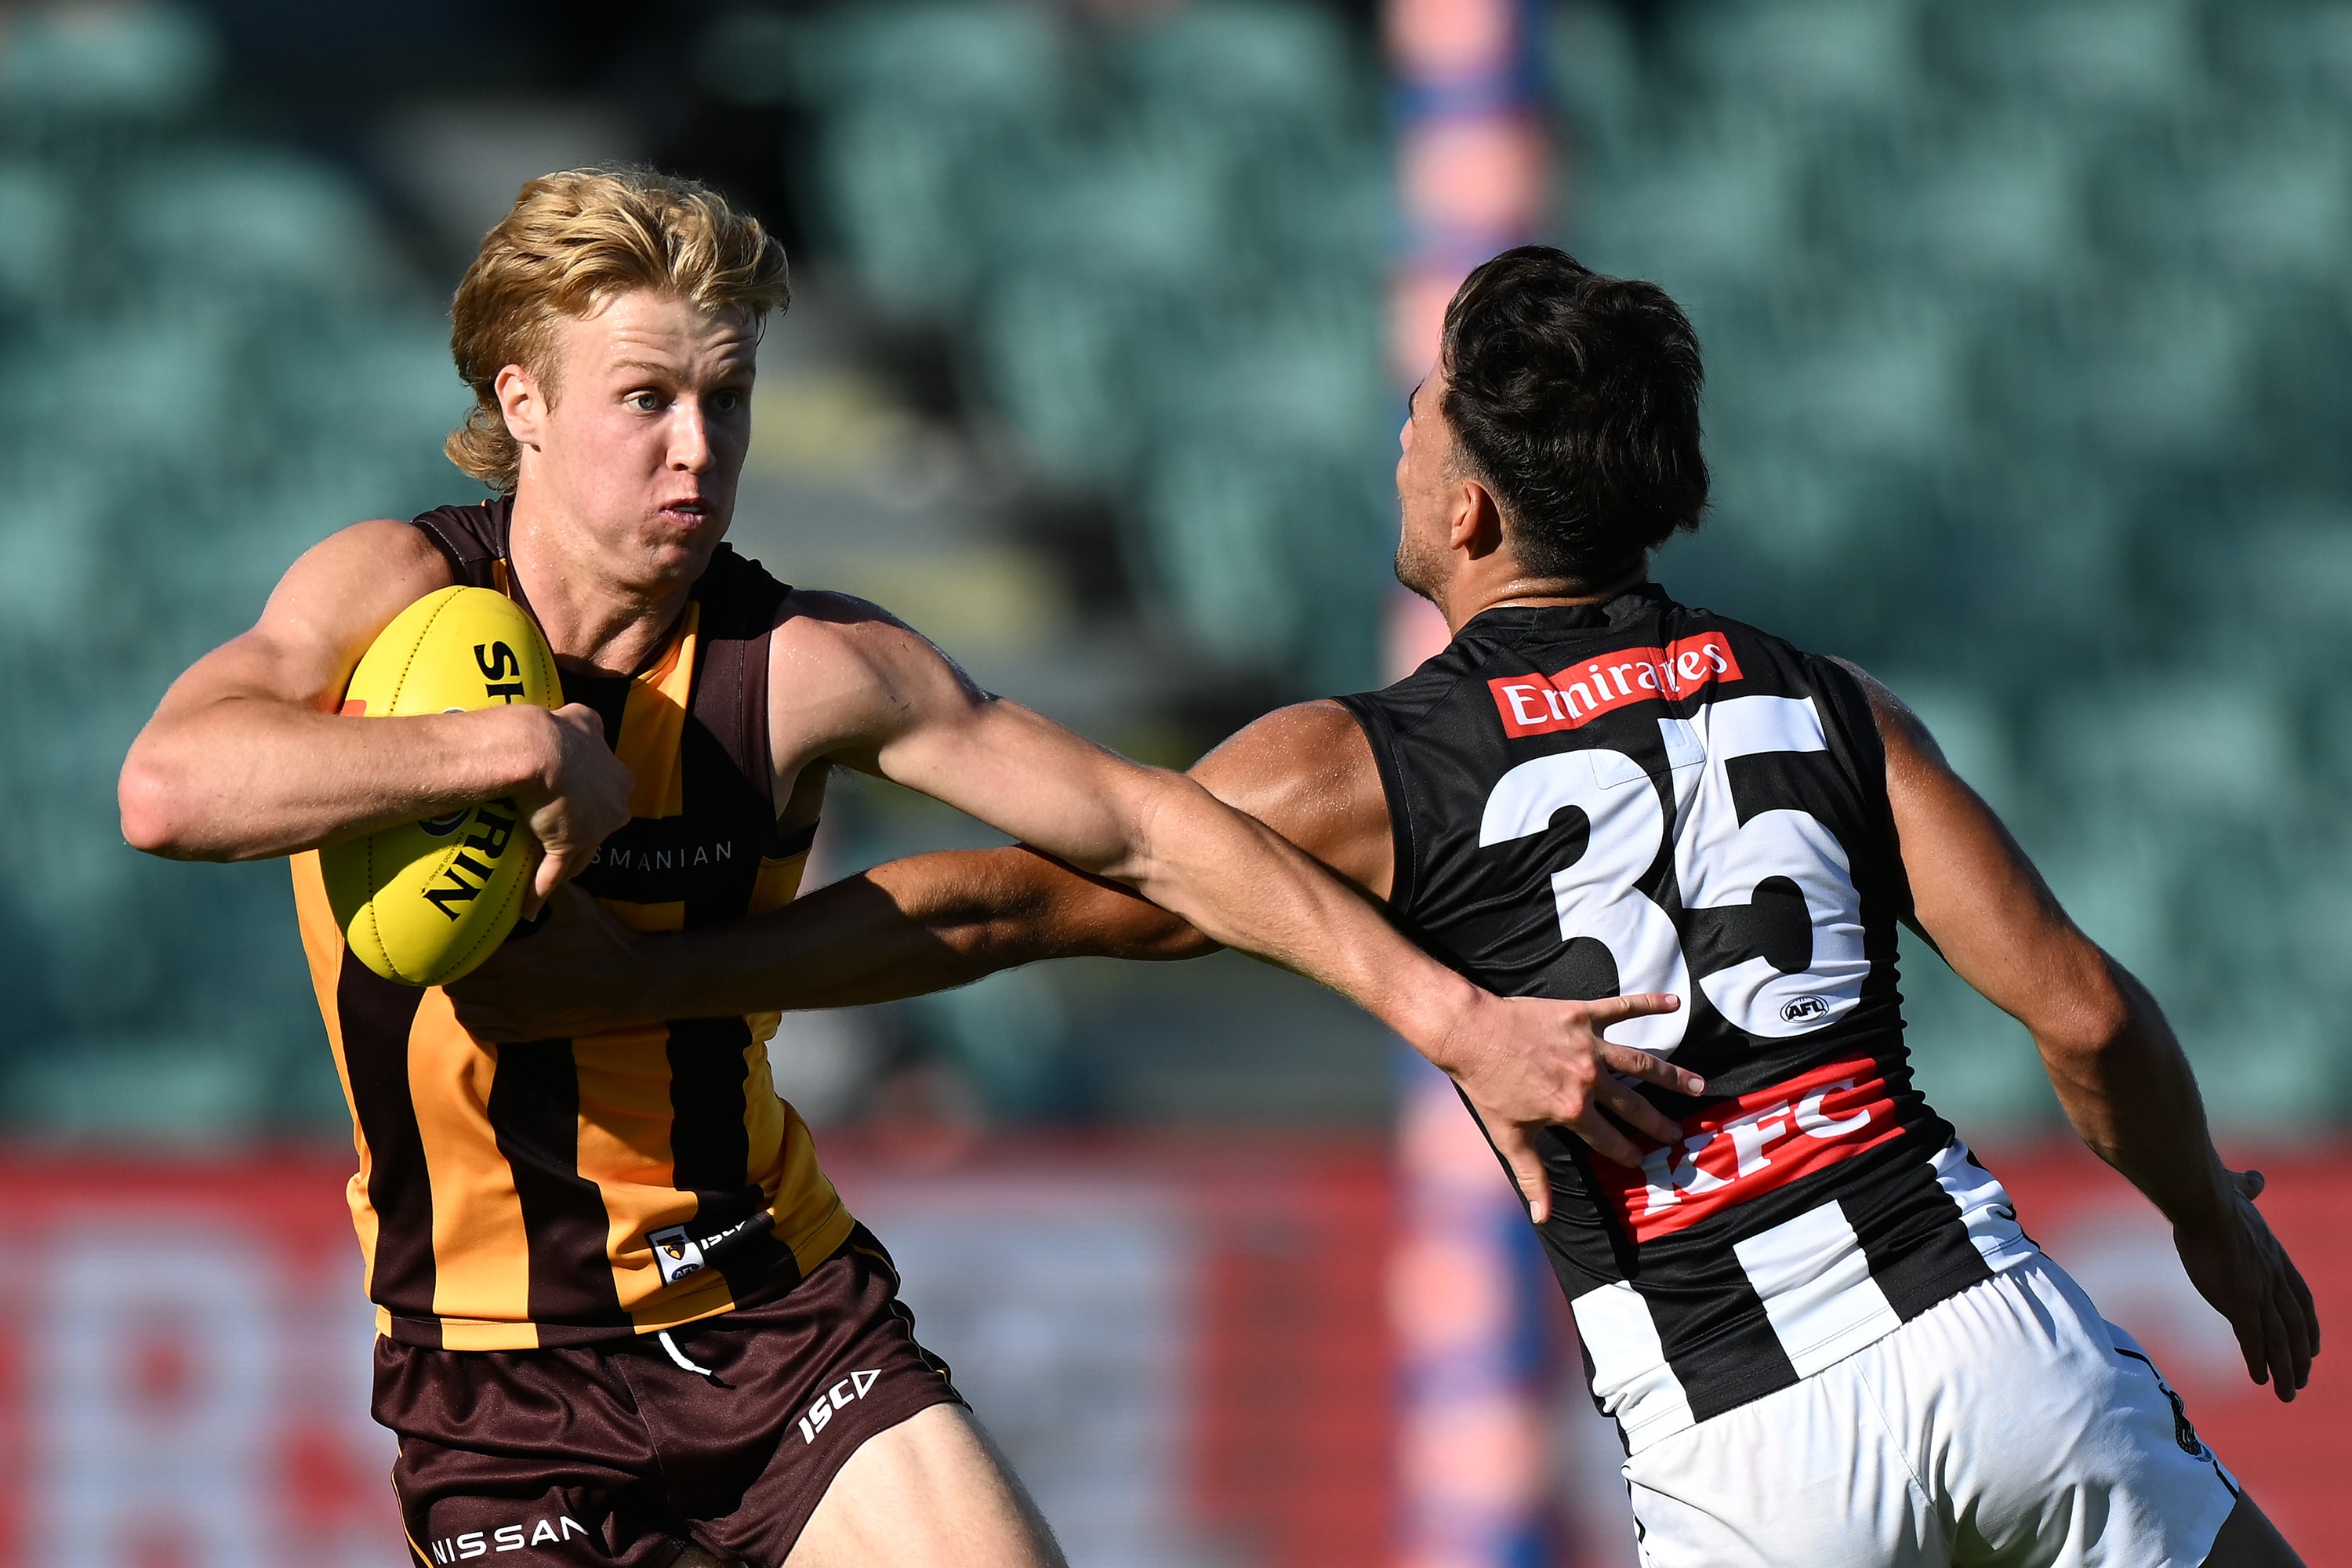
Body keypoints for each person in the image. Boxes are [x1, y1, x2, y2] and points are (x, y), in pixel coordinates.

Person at [456, 246, 2320, 1567]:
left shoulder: (1363, 767)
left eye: (1422, 419)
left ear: (1482, 515)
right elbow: (2082, 1017)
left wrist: (673, 972)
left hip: (1750, 1439)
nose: (1401, 444)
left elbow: (1008, 910)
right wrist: (2213, 1236)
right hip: (2006, 1346)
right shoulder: (1828, 698)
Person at [117, 177, 1701, 1568]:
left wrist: (1447, 1016)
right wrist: (507, 753)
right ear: (523, 401)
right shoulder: (387, 600)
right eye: (645, 400)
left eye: (726, 399)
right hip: (493, 1380)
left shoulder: (802, 660)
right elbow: (169, 788)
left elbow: (1142, 826)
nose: (697, 450)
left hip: (774, 1311)